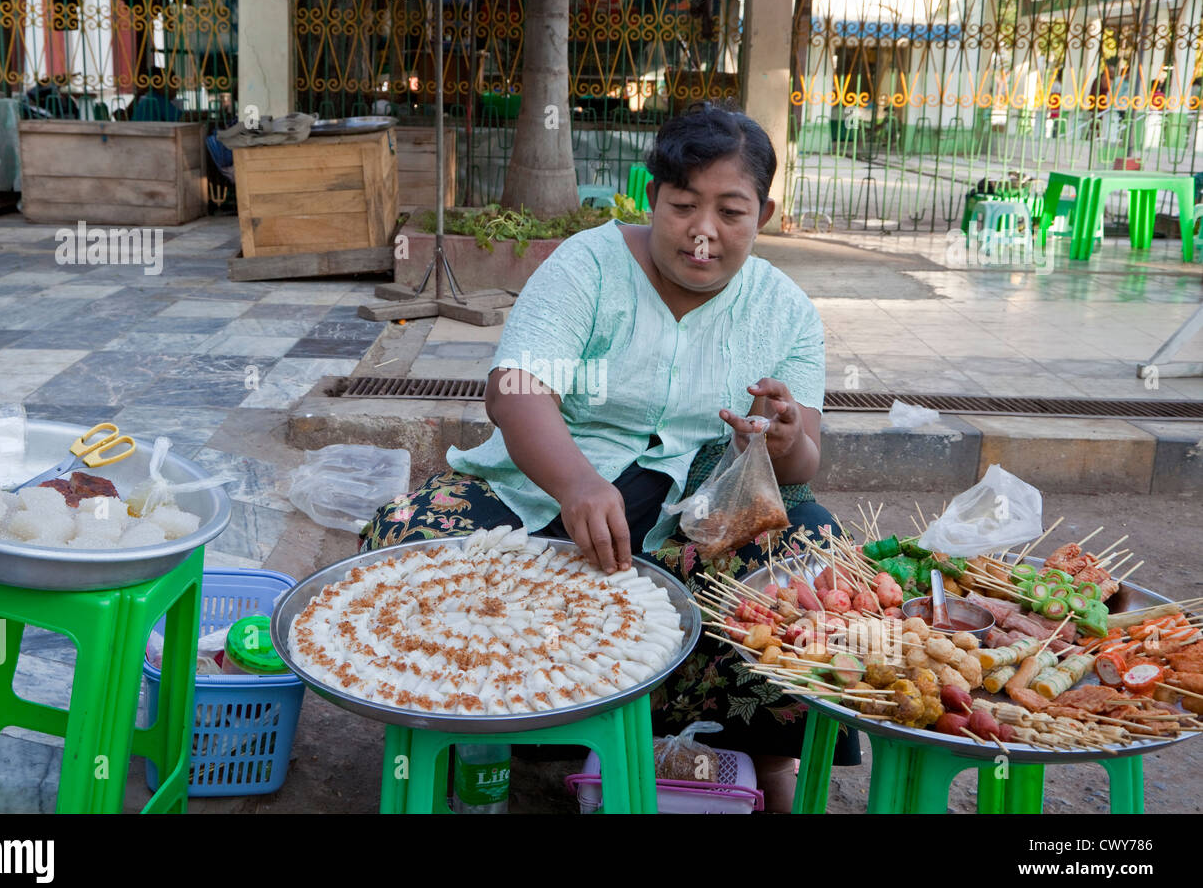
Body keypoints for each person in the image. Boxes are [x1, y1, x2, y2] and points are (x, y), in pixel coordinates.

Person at [362, 102, 857, 811]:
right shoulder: (589, 265)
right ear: (652, 196)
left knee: (812, 563)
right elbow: (516, 392)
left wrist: (786, 439)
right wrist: (576, 483)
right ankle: (477, 729)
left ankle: (765, 762)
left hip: (701, 516)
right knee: (405, 545)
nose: (703, 234)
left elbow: (803, 459)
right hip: (539, 493)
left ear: (766, 212)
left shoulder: (783, 309)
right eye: (684, 205)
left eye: (731, 212)